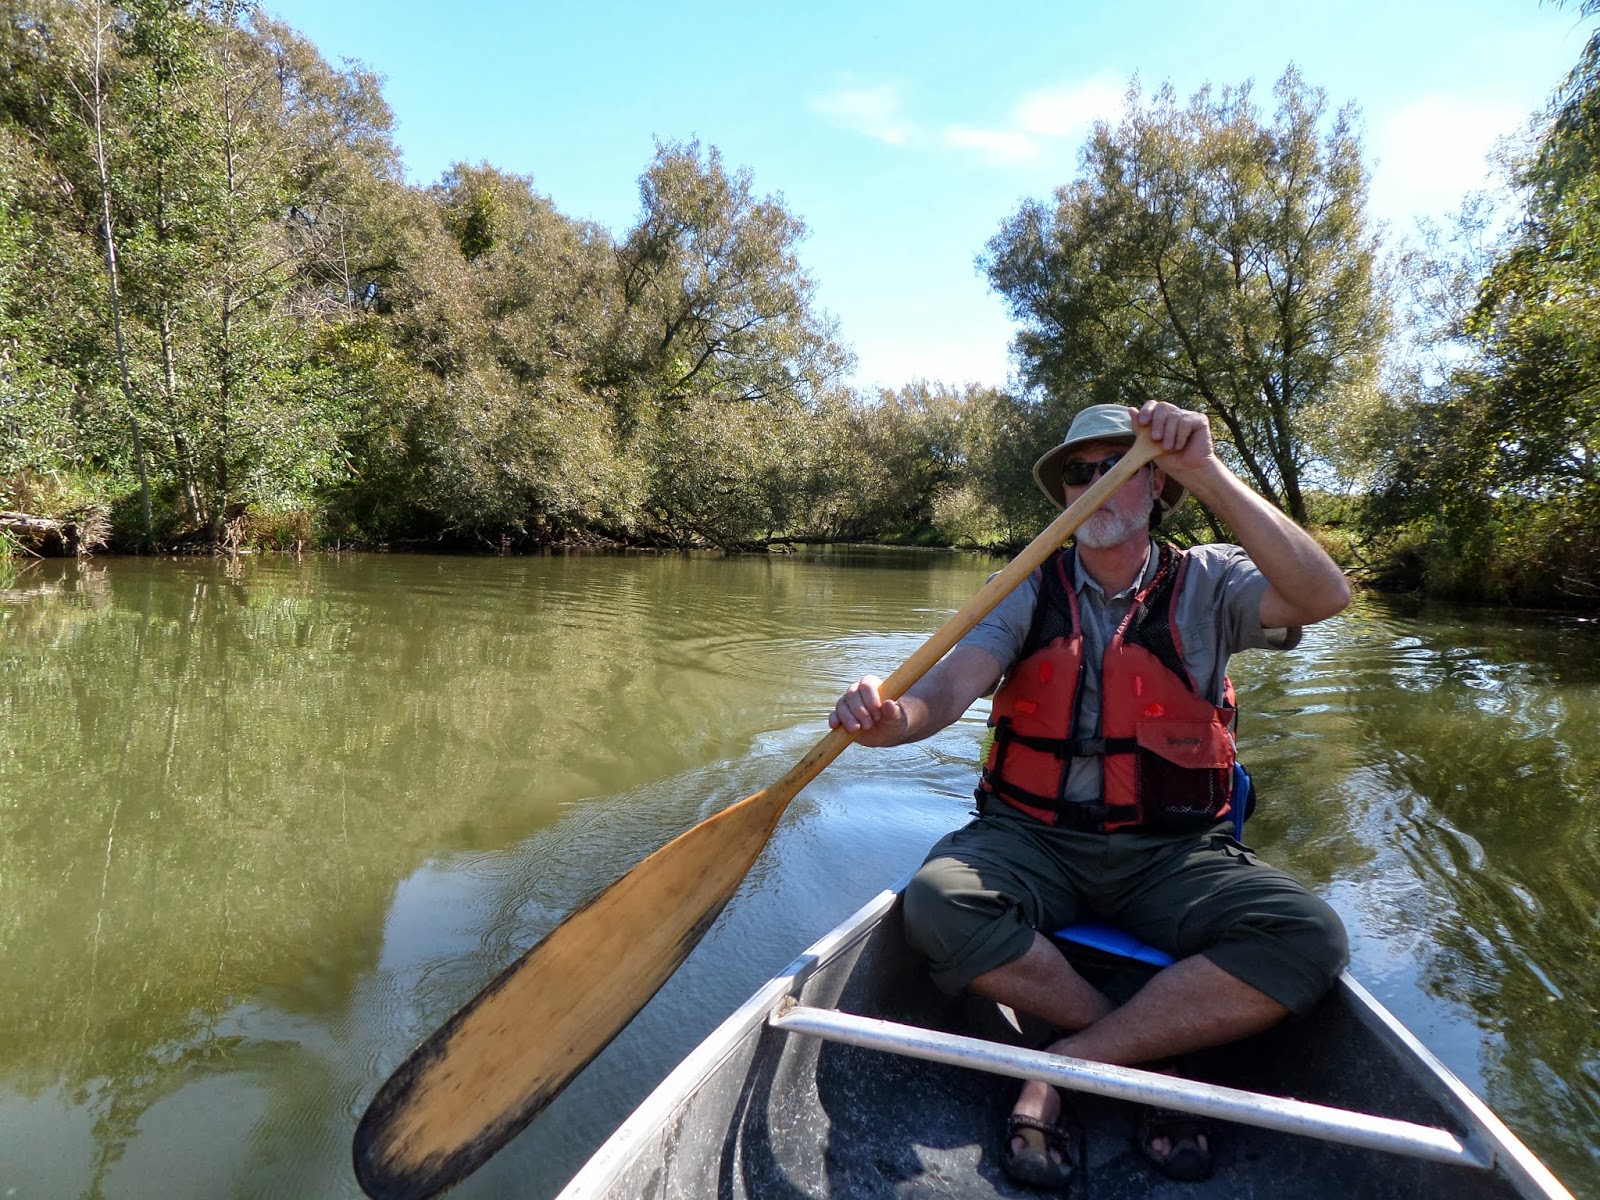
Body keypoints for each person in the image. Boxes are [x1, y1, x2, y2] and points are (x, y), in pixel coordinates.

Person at [829, 400, 1351, 1188]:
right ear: (1065, 493)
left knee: (1307, 935)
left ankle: (1063, 1064)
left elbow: (1323, 597)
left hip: (1172, 852)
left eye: (1124, 466)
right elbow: (945, 693)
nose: (1101, 484)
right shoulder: (1022, 589)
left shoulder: (1211, 581)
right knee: (936, 900)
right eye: (1083, 472)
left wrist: (1206, 467)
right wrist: (888, 717)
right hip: (1031, 841)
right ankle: (1154, 1059)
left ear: (1158, 489)